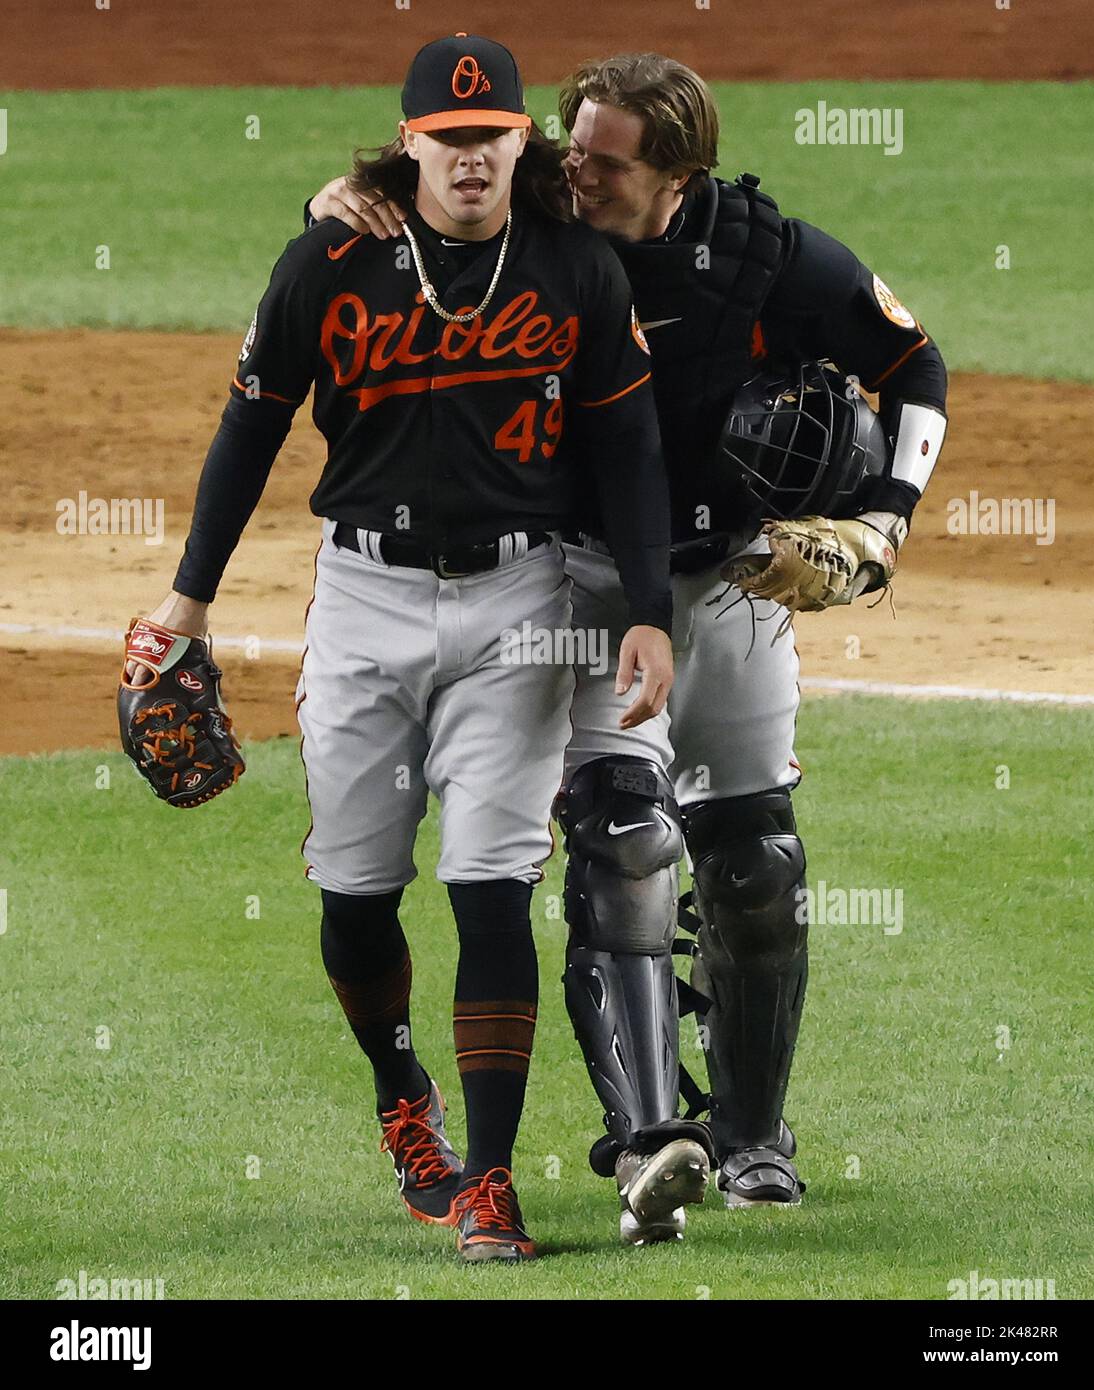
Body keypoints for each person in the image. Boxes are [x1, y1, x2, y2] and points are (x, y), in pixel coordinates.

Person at [307, 50, 949, 1247]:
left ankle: (756, 1138)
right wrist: (333, 204)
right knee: (620, 835)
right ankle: (655, 1144)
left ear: (678, 175)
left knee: (755, 860)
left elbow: (914, 363)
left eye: (607, 161)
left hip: (742, 575)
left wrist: (884, 520)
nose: (574, 171)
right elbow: (405, 211)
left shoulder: (765, 255)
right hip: (584, 576)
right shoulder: (538, 215)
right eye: (573, 142)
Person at [122, 35, 675, 1264]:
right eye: (446, 139)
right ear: (410, 138)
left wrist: (648, 607)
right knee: (356, 891)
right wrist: (188, 602)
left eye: (490, 139)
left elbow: (630, 448)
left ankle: (488, 1180)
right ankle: (400, 1094)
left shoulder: (574, 267)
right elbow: (248, 432)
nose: (469, 159)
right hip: (363, 599)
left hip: (522, 599)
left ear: (521, 140)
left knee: (490, 880)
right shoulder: (328, 261)